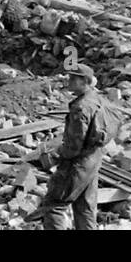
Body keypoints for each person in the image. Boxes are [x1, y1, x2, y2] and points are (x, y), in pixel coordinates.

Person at [36, 65, 110, 230]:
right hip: (94, 159)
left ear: (85, 81)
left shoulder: (80, 107)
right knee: (85, 206)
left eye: (73, 78)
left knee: (54, 204)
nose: (68, 81)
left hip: (79, 163)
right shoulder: (97, 98)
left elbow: (74, 146)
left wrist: (55, 155)